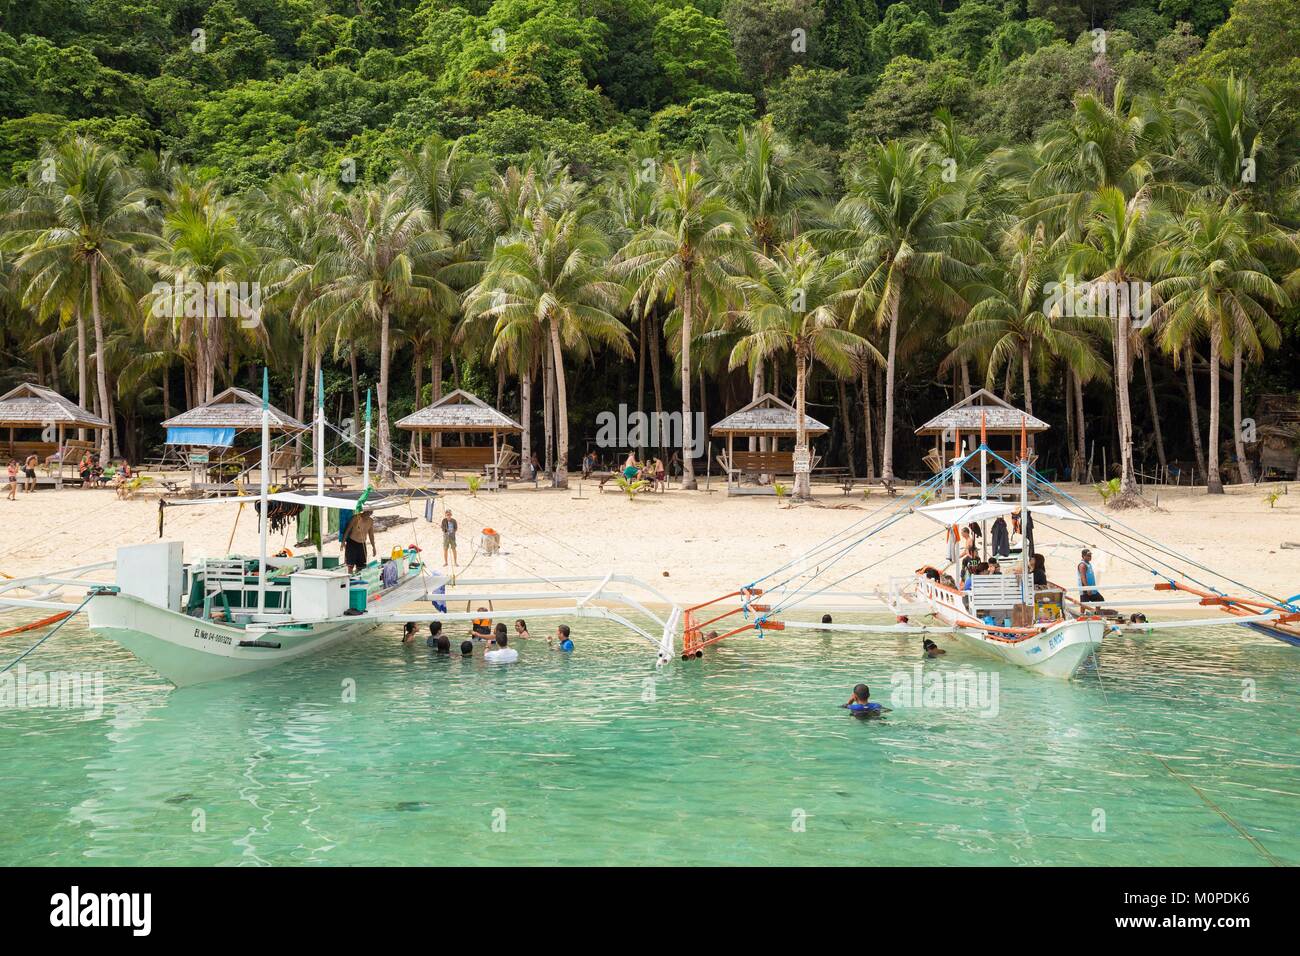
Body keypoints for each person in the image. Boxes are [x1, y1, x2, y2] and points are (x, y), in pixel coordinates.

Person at [342, 507, 376, 573]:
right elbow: (347, 529)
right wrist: (343, 542)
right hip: (352, 543)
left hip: (362, 544)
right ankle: (349, 580)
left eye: (371, 511)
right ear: (364, 510)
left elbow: (371, 535)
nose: (369, 513)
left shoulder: (370, 521)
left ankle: (358, 580)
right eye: (368, 511)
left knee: (361, 566)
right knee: (350, 565)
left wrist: (373, 547)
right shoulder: (355, 518)